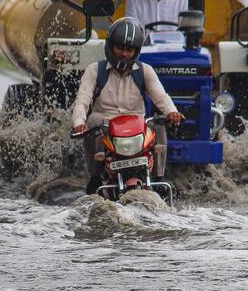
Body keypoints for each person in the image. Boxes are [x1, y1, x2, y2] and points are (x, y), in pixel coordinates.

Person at [71, 17, 184, 194]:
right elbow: (82, 100)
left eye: (129, 50)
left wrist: (172, 112)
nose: (124, 54)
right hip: (106, 127)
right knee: (93, 119)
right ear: (110, 46)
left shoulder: (145, 70)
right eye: (120, 48)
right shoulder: (95, 70)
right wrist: (79, 122)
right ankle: (95, 177)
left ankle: (158, 178)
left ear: (136, 51)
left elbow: (161, 96)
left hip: (138, 127)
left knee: (159, 125)